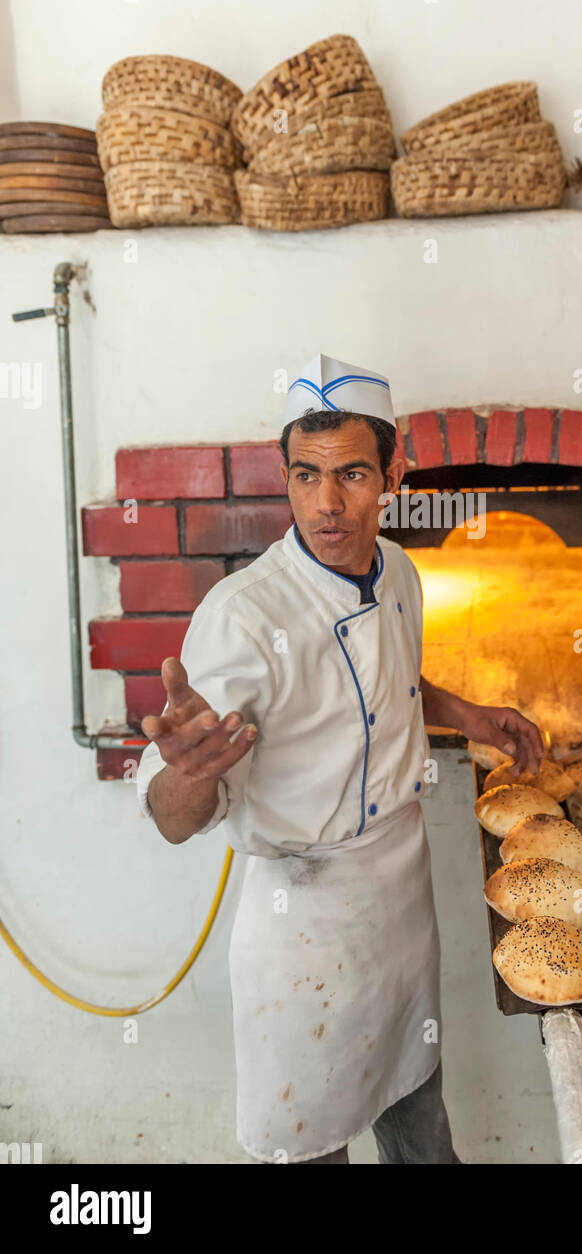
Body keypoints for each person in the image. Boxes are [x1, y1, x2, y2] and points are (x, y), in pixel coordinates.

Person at [137, 353, 543, 1164]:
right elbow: (170, 820)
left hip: (399, 900)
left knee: (420, 1128)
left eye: (353, 474)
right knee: (306, 1141)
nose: (327, 504)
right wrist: (190, 769)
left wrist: (469, 714)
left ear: (395, 471)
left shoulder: (399, 572)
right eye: (305, 475)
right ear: (282, 476)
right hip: (303, 928)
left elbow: (391, 678)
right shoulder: (245, 615)